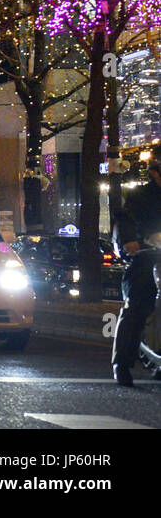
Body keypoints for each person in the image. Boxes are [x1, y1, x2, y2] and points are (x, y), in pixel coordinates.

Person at [110, 157, 161, 386]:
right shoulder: (139, 197)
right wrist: (130, 240)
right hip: (148, 257)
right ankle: (122, 363)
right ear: (154, 173)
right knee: (137, 305)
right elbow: (125, 220)